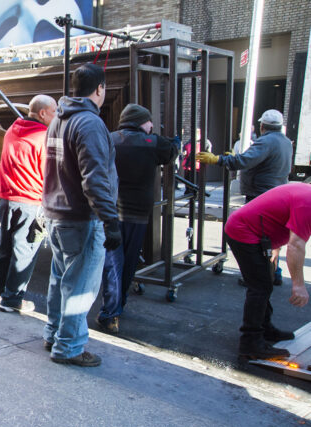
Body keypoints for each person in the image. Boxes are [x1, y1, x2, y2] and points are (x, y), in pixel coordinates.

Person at [41, 63, 120, 367]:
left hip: (57, 214)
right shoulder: (88, 123)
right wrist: (110, 220)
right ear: (99, 89)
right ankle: (69, 346)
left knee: (61, 280)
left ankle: (54, 334)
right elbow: (95, 178)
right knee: (80, 286)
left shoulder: (58, 120)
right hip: (82, 217)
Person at [98, 104, 179, 333]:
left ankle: (111, 310)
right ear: (141, 122)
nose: (151, 126)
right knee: (129, 264)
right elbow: (171, 151)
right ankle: (115, 308)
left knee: (112, 264)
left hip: (110, 212)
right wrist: (175, 142)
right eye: (149, 122)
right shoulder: (153, 143)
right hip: (138, 215)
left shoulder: (110, 138)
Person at [197, 109, 293, 285]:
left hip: (261, 196)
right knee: (270, 238)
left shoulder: (266, 141)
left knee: (258, 238)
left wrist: (217, 159)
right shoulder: (285, 142)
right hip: (276, 194)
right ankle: (274, 273)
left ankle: (260, 276)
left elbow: (245, 161)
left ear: (262, 126)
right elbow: (258, 161)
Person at [0, 94, 56, 313]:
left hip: (7, 200)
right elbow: (50, 174)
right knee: (26, 250)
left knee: (6, 247)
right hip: (31, 202)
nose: (57, 116)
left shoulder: (13, 130)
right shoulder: (44, 137)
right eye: (55, 112)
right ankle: (12, 299)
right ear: (42, 113)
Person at [224, 183, 310, 360]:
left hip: (255, 232)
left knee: (265, 283)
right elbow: (296, 246)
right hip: (243, 231)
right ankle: (250, 342)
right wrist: (298, 285)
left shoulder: (306, 195)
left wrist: (274, 245)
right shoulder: (308, 204)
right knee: (260, 287)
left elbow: (276, 213)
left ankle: (265, 329)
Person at [181, 128, 211, 194]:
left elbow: (208, 152)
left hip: (199, 165)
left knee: (198, 180)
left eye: (196, 134)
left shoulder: (205, 142)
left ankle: (197, 193)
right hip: (189, 165)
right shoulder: (189, 142)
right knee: (188, 179)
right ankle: (188, 191)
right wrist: (184, 152)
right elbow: (184, 150)